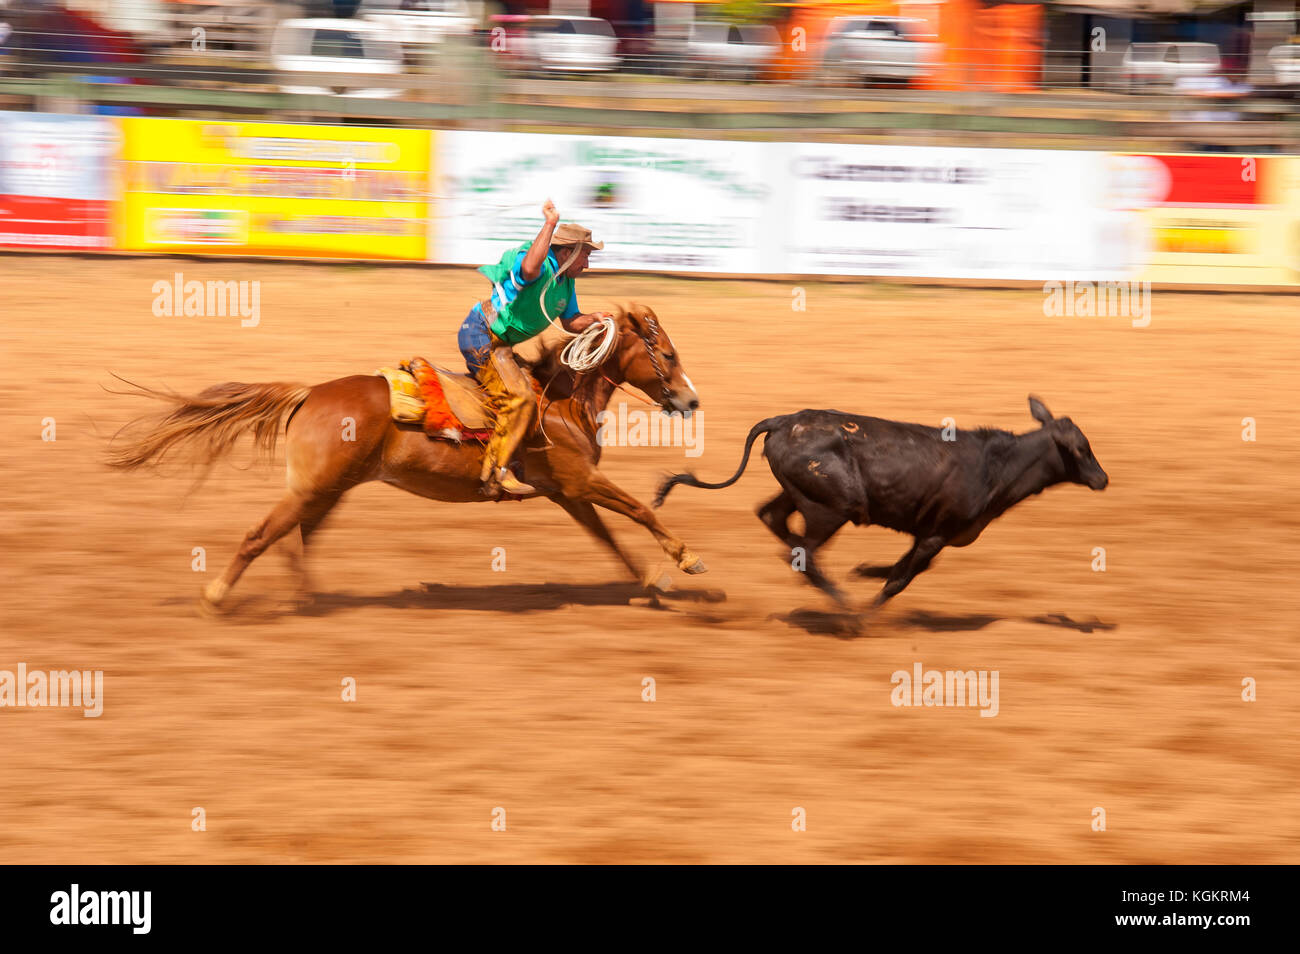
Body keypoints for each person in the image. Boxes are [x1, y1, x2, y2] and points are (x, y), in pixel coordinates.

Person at [457, 199, 605, 496]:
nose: (587, 265)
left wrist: (595, 320)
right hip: (480, 335)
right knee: (521, 397)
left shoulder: (565, 281)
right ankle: (496, 471)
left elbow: (570, 320)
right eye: (585, 256)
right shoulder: (540, 264)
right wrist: (550, 223)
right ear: (567, 252)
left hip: (502, 345)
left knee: (539, 392)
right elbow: (527, 270)